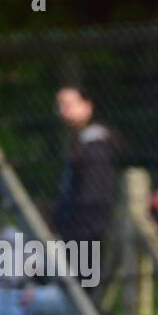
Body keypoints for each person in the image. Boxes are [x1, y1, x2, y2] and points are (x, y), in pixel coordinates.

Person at [54, 86, 117, 246]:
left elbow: (93, 192)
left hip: (86, 229)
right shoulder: (81, 142)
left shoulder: (95, 145)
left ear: (87, 106)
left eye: (69, 104)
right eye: (60, 104)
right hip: (77, 227)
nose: (63, 110)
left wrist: (77, 224)